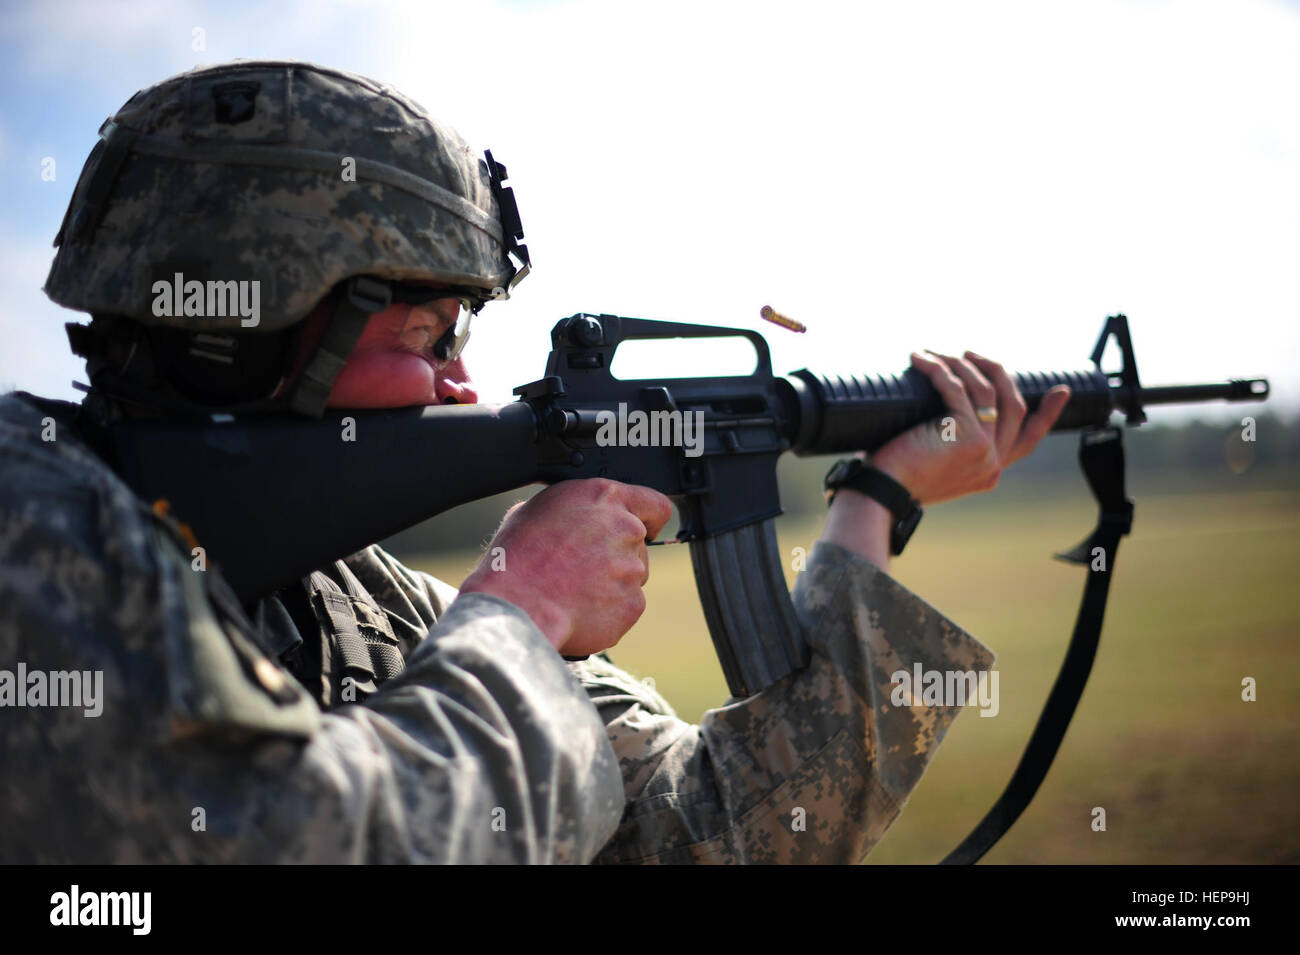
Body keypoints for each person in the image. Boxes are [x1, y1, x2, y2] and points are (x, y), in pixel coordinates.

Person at [0, 60, 1069, 864]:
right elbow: (293, 836)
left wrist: (875, 502)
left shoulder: (360, 598)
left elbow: (728, 833)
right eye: (426, 337)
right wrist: (520, 613)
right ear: (231, 337)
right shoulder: (27, 524)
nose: (464, 388)